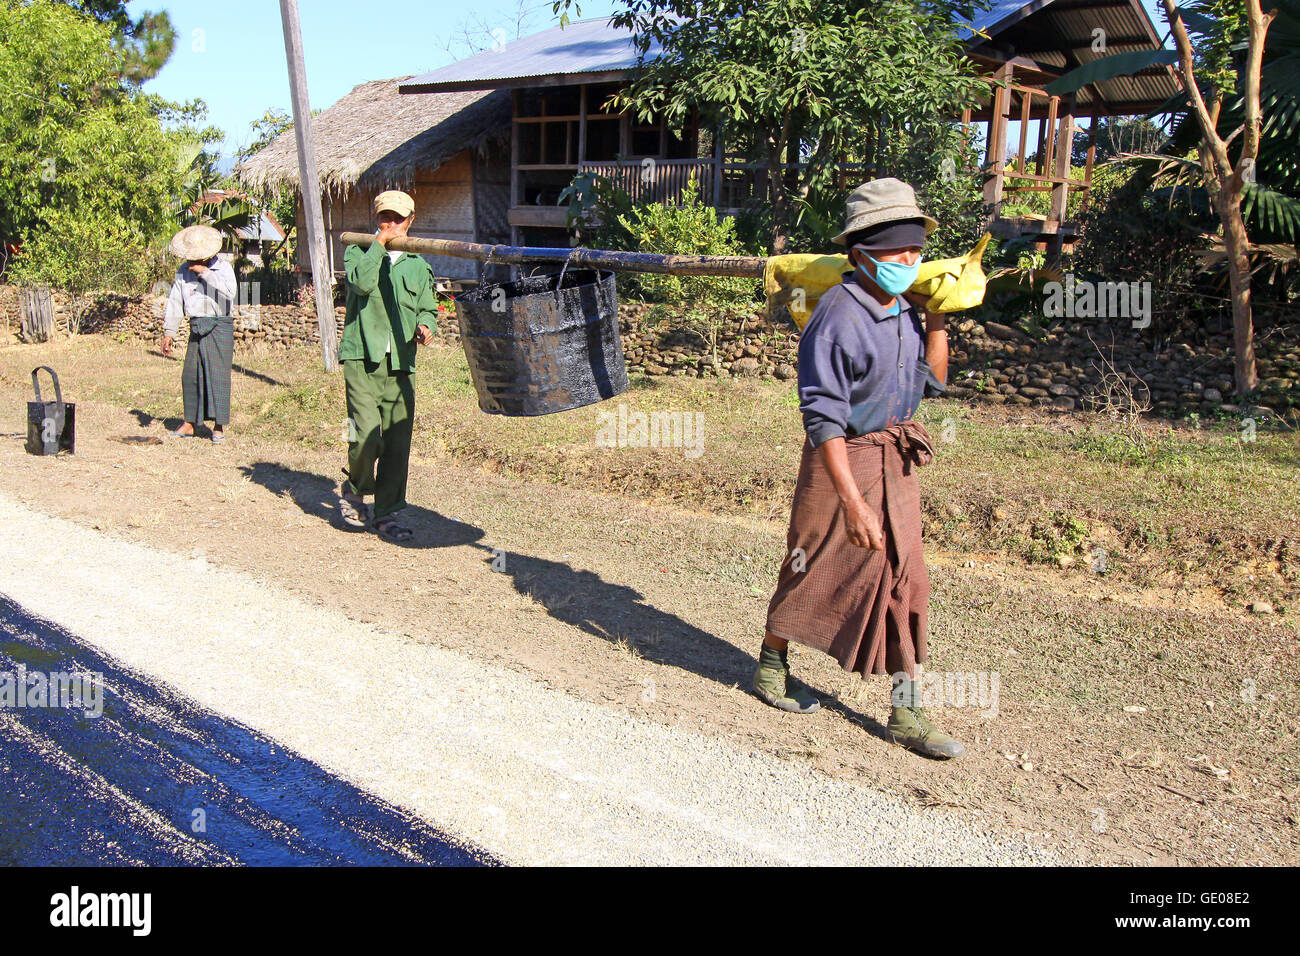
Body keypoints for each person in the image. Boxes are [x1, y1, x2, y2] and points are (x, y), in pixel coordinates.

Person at [755, 178, 964, 759]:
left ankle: (906, 709)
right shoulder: (837, 317)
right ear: (860, 256)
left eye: (916, 252)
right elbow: (821, 417)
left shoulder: (904, 309)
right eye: (899, 253)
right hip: (839, 461)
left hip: (893, 460)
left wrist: (939, 318)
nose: (910, 262)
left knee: (905, 578)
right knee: (810, 566)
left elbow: (934, 382)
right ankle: (772, 662)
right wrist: (851, 502)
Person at [338, 190, 437, 542]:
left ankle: (387, 512)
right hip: (362, 357)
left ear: (411, 221)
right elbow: (362, 284)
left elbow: (428, 307)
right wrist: (378, 245)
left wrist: (427, 326)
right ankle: (354, 488)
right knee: (364, 432)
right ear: (376, 219)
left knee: (397, 441)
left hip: (401, 363)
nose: (390, 224)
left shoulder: (419, 264)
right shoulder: (357, 252)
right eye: (384, 218)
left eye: (397, 219)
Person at [162, 225, 237, 444]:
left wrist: (204, 272)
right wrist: (169, 332)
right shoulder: (183, 272)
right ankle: (190, 423)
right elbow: (176, 302)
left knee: (218, 377)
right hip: (196, 325)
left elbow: (230, 293)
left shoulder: (222, 268)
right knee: (191, 375)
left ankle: (219, 427)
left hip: (219, 325)